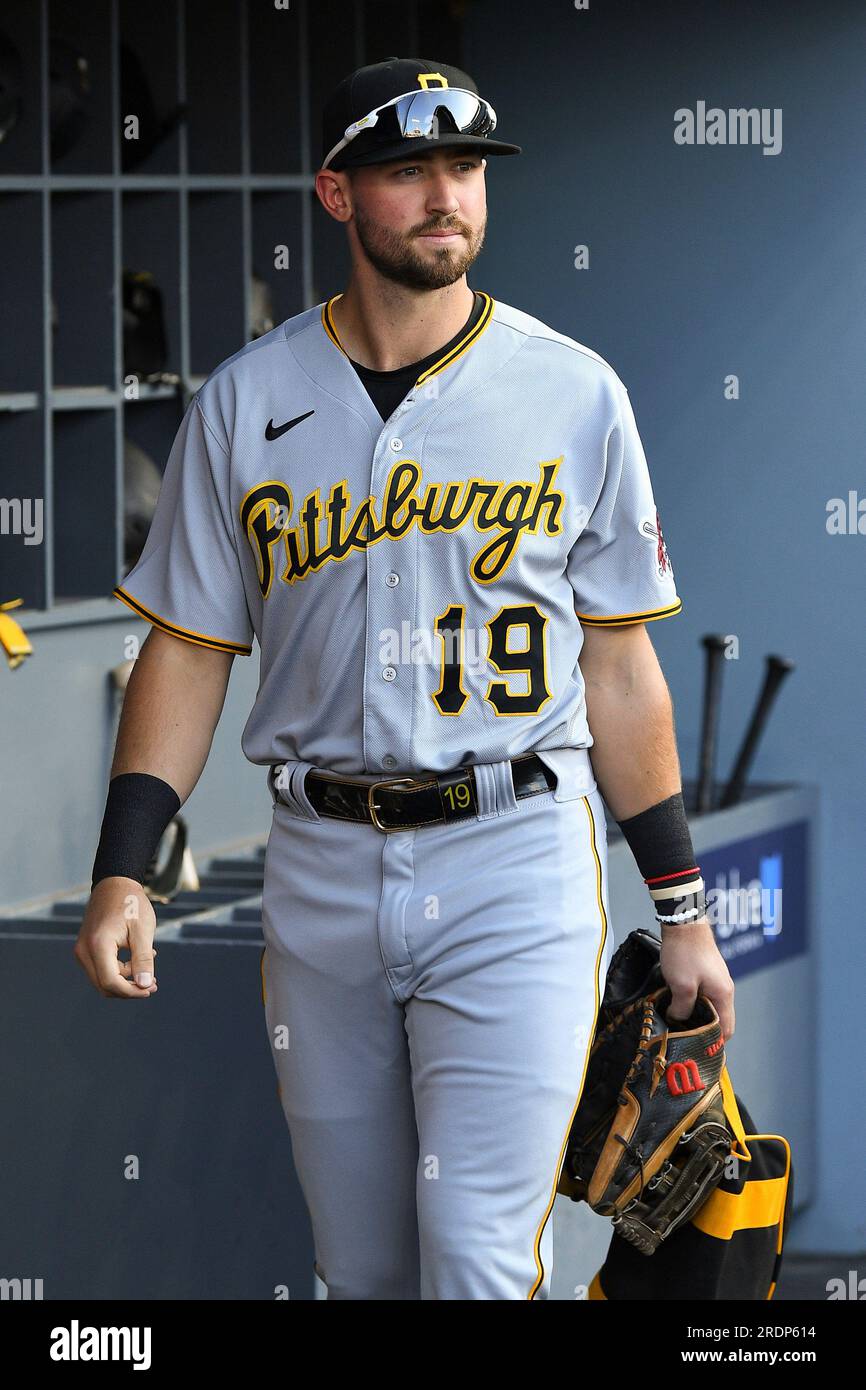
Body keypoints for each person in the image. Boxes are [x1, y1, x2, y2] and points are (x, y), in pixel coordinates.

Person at [76, 56, 735, 1301]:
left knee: (478, 1262)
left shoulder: (572, 389)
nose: (448, 197)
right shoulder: (248, 397)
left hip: (512, 858)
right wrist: (125, 864)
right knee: (366, 1271)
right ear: (336, 192)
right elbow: (186, 647)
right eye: (409, 170)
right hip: (317, 864)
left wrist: (681, 907)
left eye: (468, 167)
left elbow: (618, 662)